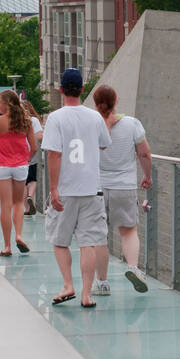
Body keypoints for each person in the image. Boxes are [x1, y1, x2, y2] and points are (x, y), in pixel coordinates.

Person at [42, 68, 110, 307]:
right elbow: (104, 145)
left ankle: (68, 284)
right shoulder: (94, 117)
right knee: (88, 242)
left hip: (66, 188)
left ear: (61, 89)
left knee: (60, 241)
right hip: (91, 187)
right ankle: (86, 294)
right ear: (82, 89)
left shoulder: (56, 118)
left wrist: (53, 189)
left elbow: (54, 154)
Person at [91, 85, 153, 293]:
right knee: (128, 231)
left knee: (99, 237)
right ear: (116, 101)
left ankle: (102, 283)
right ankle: (133, 267)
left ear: (95, 103)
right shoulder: (131, 124)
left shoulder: (91, 124)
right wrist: (147, 175)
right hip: (124, 186)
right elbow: (144, 153)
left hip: (96, 186)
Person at [0, 89, 38, 257]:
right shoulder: (25, 121)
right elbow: (34, 147)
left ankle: (7, 246)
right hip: (21, 166)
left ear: (6, 104)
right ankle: (19, 235)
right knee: (18, 204)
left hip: (2, 166)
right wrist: (25, 160)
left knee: (5, 205)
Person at [21, 97, 44, 216]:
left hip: (19, 154)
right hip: (32, 152)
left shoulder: (17, 120)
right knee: (32, 179)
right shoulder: (34, 120)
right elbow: (40, 136)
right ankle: (30, 195)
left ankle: (26, 209)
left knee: (23, 182)